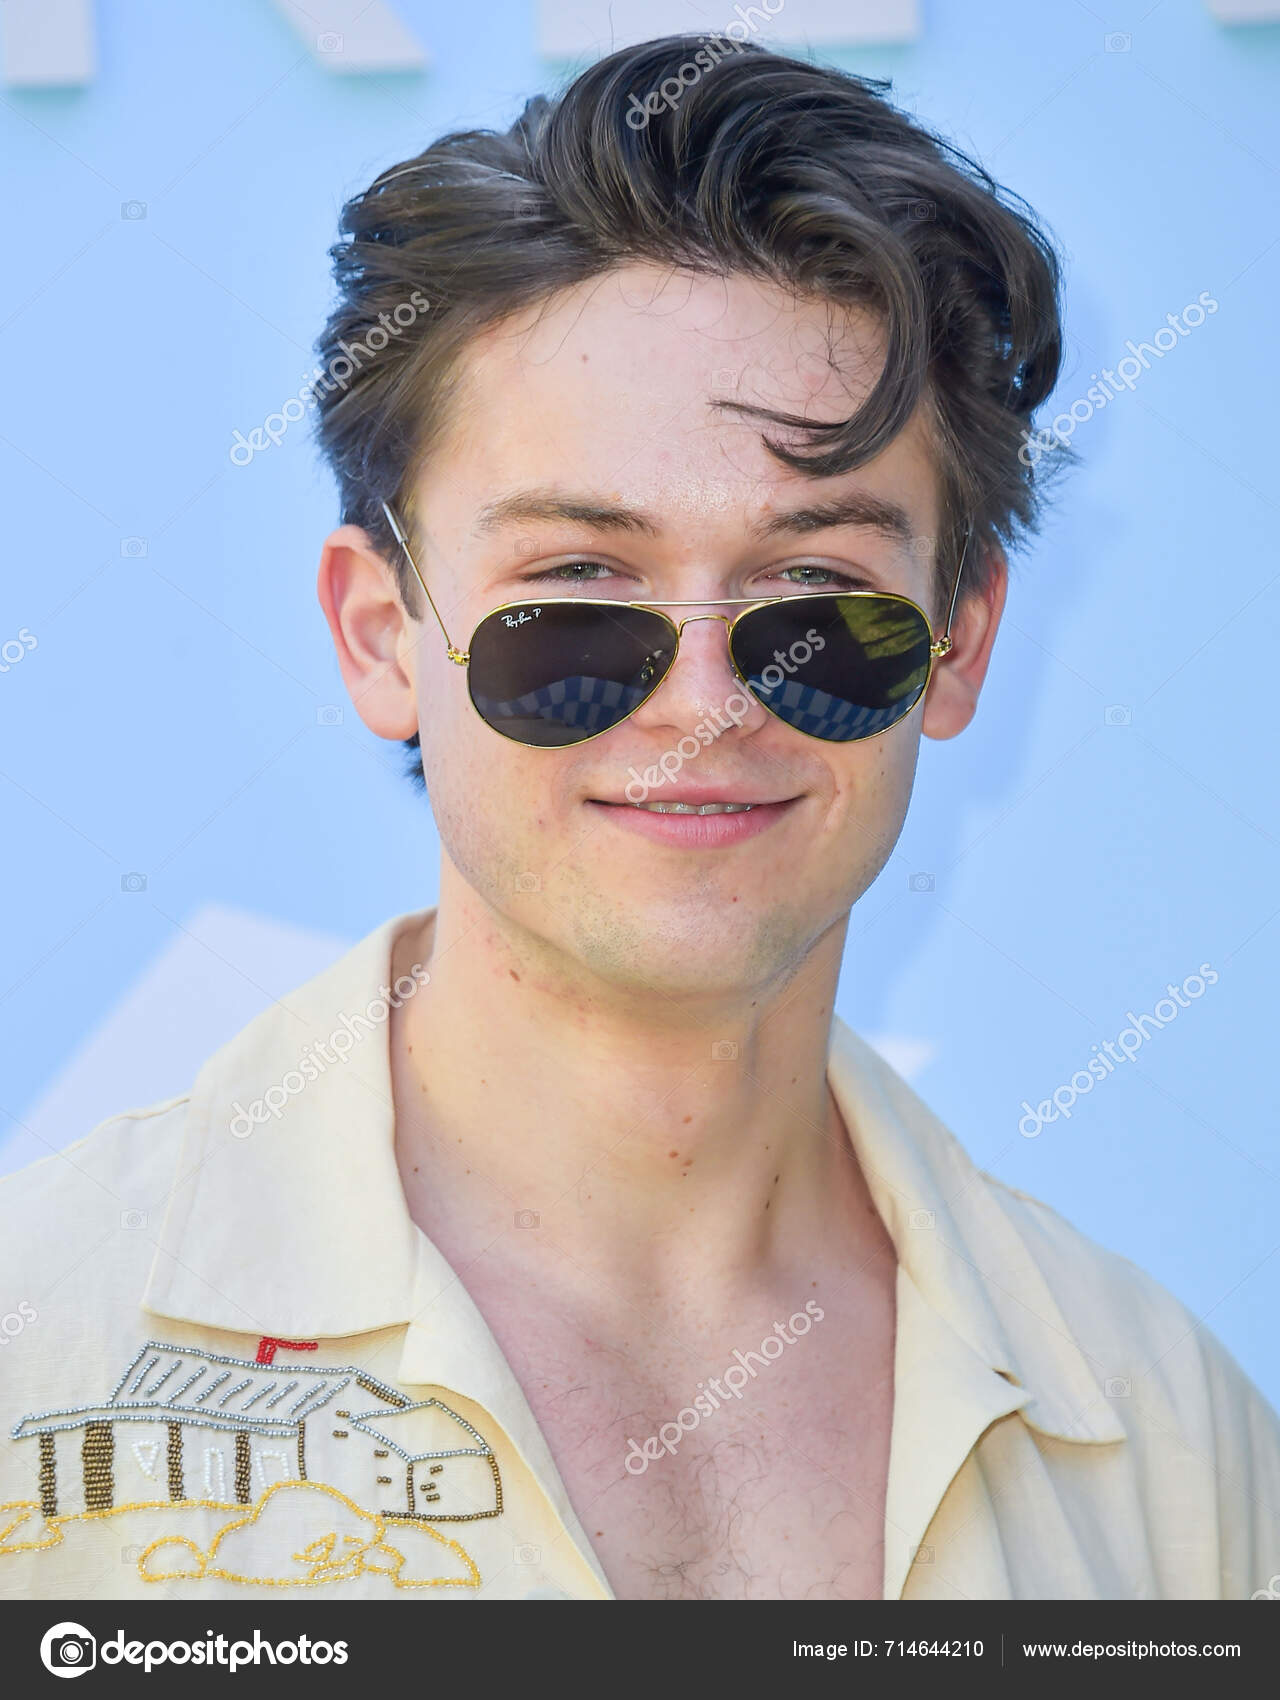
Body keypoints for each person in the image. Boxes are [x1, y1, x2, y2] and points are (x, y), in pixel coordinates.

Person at [2, 35, 1276, 1603]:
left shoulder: (1170, 1445)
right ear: (382, 637)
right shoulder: (32, 1346)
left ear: (959, 642)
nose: (703, 704)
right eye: (577, 591)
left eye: (815, 594)